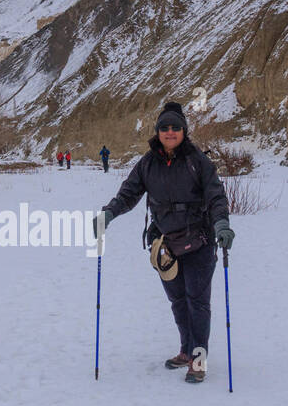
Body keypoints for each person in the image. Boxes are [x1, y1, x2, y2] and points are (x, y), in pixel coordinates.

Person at [93, 102, 234, 383]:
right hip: (166, 245)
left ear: (184, 131)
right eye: (164, 128)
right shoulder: (147, 163)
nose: (170, 132)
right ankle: (185, 350)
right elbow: (128, 194)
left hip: (200, 241)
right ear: (158, 132)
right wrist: (109, 212)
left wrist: (222, 224)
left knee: (198, 301)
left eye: (175, 128)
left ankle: (199, 358)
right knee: (178, 300)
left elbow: (216, 195)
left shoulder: (197, 160)